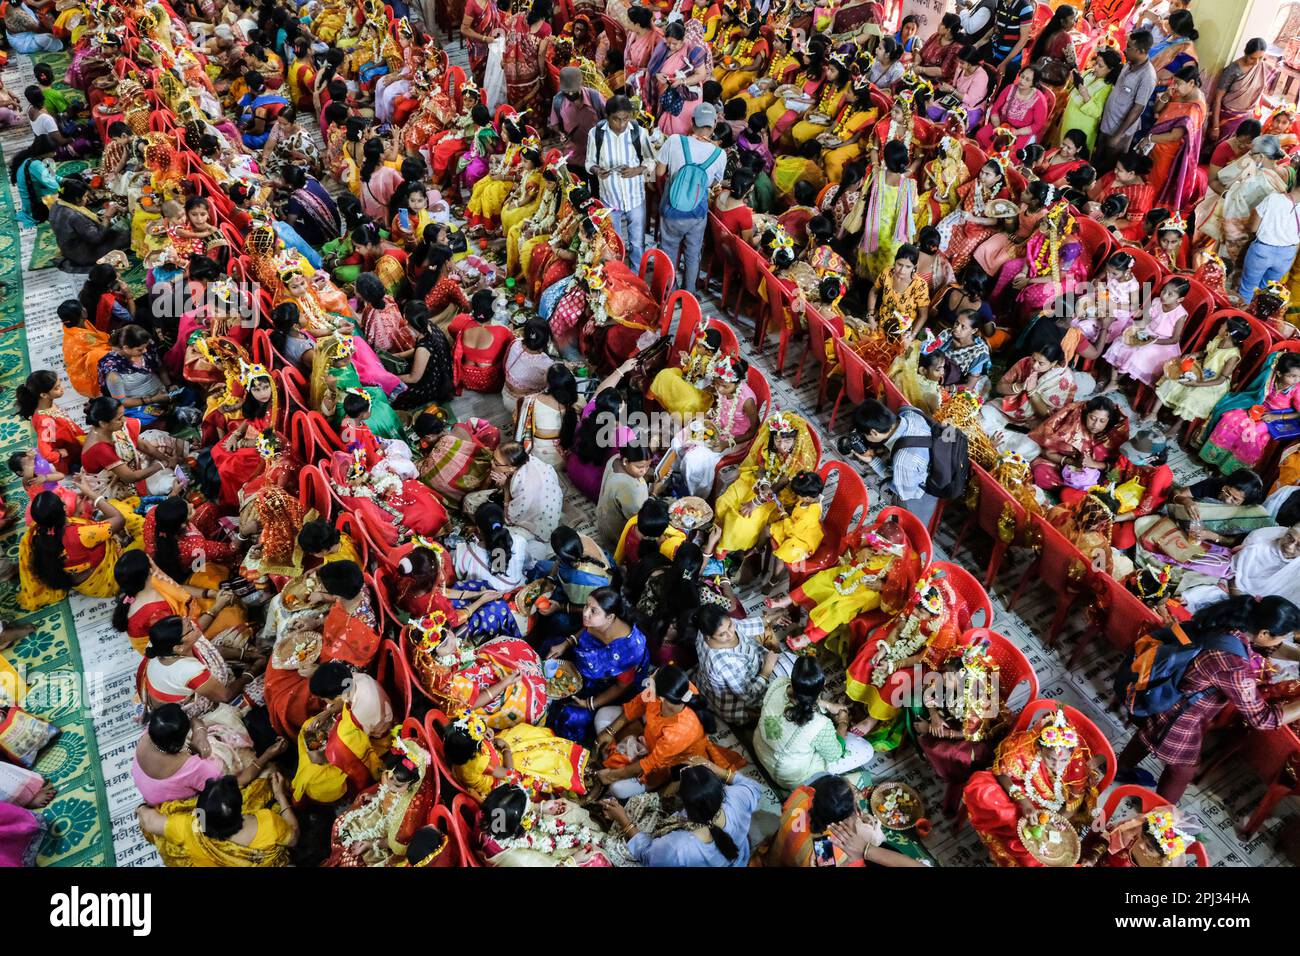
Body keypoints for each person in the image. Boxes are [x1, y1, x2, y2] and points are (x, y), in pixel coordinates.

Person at [1116, 595, 1300, 802]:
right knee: (1182, 770)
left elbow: (1267, 647)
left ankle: (1120, 769)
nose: (1282, 642)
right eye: (1282, 637)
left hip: (1167, 690)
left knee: (1149, 733)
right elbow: (1264, 718)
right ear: (1264, 633)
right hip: (1181, 713)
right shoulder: (1233, 665)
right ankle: (1159, 814)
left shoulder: (1230, 621)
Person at [964, 708, 1102, 866]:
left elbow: (1072, 806)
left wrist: (1049, 823)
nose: (1057, 766)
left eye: (1063, 760)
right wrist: (1023, 801)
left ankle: (1012, 840)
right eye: (1051, 759)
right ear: (1040, 748)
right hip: (1017, 791)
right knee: (981, 790)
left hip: (1048, 810)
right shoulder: (1026, 746)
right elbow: (1002, 774)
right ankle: (1010, 830)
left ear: (1071, 754)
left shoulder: (1077, 766)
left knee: (1031, 843)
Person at [592, 664, 744, 798]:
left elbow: (651, 763)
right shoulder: (678, 688)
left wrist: (611, 776)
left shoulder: (679, 732)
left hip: (664, 765)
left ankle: (610, 764)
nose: (649, 679)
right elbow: (638, 704)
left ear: (662, 699)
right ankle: (611, 759)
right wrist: (610, 731)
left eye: (652, 680)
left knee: (617, 788)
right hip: (648, 738)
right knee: (603, 714)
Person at [602, 760, 760, 866]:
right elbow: (754, 787)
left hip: (670, 857)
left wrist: (623, 819)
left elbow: (646, 854)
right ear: (720, 790)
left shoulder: (679, 848)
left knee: (617, 847)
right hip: (738, 857)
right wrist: (717, 770)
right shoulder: (736, 798)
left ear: (684, 805)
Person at [546, 587, 651, 742]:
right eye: (586, 606)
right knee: (549, 646)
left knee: (571, 716)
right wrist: (566, 644)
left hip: (605, 684)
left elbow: (621, 686)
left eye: (593, 611)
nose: (585, 613)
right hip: (586, 660)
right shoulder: (597, 620)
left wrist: (590, 704)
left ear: (610, 617)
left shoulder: (628, 651)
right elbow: (587, 628)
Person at [753, 657, 872, 792]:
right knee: (866, 750)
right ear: (822, 686)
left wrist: (828, 705)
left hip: (760, 748)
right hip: (787, 778)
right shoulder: (820, 725)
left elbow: (801, 697)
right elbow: (835, 754)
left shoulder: (779, 683)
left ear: (793, 679)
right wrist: (843, 723)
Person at [136, 773, 298, 867]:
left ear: (199, 813)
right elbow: (294, 838)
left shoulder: (190, 829)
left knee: (166, 812)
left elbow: (150, 822)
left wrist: (141, 808)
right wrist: (280, 796)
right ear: (241, 805)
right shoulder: (268, 822)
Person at [767, 773, 928, 866]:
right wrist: (870, 841)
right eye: (855, 797)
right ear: (847, 816)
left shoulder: (801, 795)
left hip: (776, 856)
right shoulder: (825, 847)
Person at [655, 102, 727, 295]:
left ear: (692, 121)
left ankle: (670, 292)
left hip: (671, 209)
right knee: (693, 254)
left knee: (669, 251)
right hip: (697, 213)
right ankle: (689, 293)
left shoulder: (674, 141)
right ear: (714, 124)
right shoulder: (719, 154)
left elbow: (660, 172)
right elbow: (713, 183)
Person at [1200, 350, 1300, 474]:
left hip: (1276, 418)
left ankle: (1230, 469)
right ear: (1279, 373)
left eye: (1299, 376)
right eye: (1292, 376)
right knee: (1231, 419)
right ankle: (1214, 459)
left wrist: (1276, 417)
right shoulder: (1270, 377)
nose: (1297, 380)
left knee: (1251, 433)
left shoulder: (1297, 389)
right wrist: (1252, 408)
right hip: (1257, 407)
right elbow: (1256, 393)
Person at [586, 94, 655, 266]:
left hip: (635, 198)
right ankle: (618, 272)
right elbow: (589, 163)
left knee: (637, 242)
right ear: (607, 116)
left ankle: (637, 272)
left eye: (626, 119)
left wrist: (637, 170)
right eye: (616, 119)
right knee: (613, 242)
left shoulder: (640, 133)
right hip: (610, 199)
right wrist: (597, 170)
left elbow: (651, 160)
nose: (622, 124)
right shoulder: (596, 134)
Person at [853, 398, 940, 528]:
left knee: (907, 530)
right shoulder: (910, 413)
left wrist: (874, 461)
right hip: (933, 468)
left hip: (919, 496)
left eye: (865, 435)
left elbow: (904, 492)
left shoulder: (902, 461)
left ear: (874, 432)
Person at [1141, 65, 1206, 212]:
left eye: (1178, 83)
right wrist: (1166, 96)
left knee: (1155, 183)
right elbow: (1157, 109)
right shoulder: (1178, 93)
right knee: (1146, 176)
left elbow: (1174, 136)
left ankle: (1149, 212)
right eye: (1174, 82)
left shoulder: (1194, 108)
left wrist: (1149, 138)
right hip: (1156, 144)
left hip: (1168, 152)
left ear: (1191, 83)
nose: (1174, 86)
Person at [1095, 31, 1156, 170]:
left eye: (1129, 47)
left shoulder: (1147, 76)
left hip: (1119, 131)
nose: (1125, 49)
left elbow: (1138, 108)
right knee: (1097, 159)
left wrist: (1118, 135)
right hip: (1107, 124)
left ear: (1141, 51)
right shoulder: (1129, 63)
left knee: (1108, 167)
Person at [1239, 177, 1300, 303]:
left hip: (1262, 251)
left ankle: (1240, 314)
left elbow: (1253, 227)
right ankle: (1255, 314)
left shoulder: (1273, 199)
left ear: (1295, 178)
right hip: (1287, 256)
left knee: (1247, 288)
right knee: (1265, 292)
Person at [48, 177, 129, 270]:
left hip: (67, 248)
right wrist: (107, 217)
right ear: (77, 198)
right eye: (85, 196)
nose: (87, 199)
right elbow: (97, 238)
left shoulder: (57, 204)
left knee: (113, 229)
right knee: (123, 237)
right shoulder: (74, 216)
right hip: (83, 254)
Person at [1208, 38, 1274, 146]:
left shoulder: (1261, 67)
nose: (1256, 62)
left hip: (1246, 118)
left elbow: (1255, 93)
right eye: (1252, 58)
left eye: (1261, 58)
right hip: (1227, 119)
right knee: (1221, 148)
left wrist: (1272, 106)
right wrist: (1215, 127)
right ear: (1245, 53)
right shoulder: (1233, 69)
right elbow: (1218, 98)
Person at [551, 66, 607, 177]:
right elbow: (555, 124)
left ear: (581, 83)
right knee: (578, 183)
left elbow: (608, 118)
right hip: (574, 156)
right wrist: (561, 134)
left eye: (573, 90)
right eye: (567, 91)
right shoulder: (558, 101)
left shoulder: (595, 97)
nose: (570, 94)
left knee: (597, 184)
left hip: (597, 154)